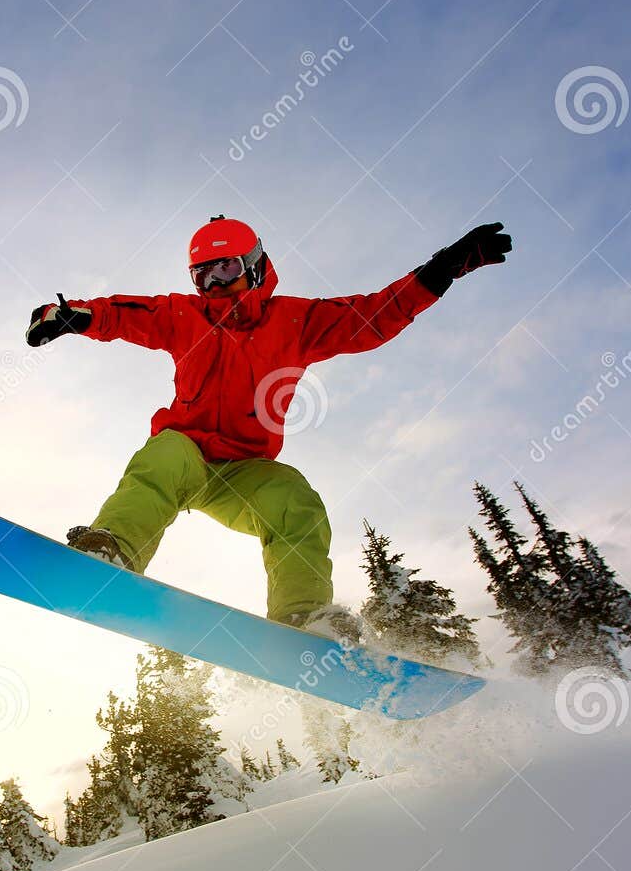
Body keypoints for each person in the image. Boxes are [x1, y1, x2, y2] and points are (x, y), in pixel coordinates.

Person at [25, 215, 511, 639]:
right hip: (187, 455)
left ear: (255, 266)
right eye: (203, 275)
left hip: (243, 472)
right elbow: (120, 314)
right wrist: (66, 317)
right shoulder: (183, 316)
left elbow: (372, 316)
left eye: (225, 269)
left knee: (295, 498)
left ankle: (303, 617)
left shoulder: (296, 321)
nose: (214, 285)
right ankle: (112, 552)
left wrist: (442, 269)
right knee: (165, 454)